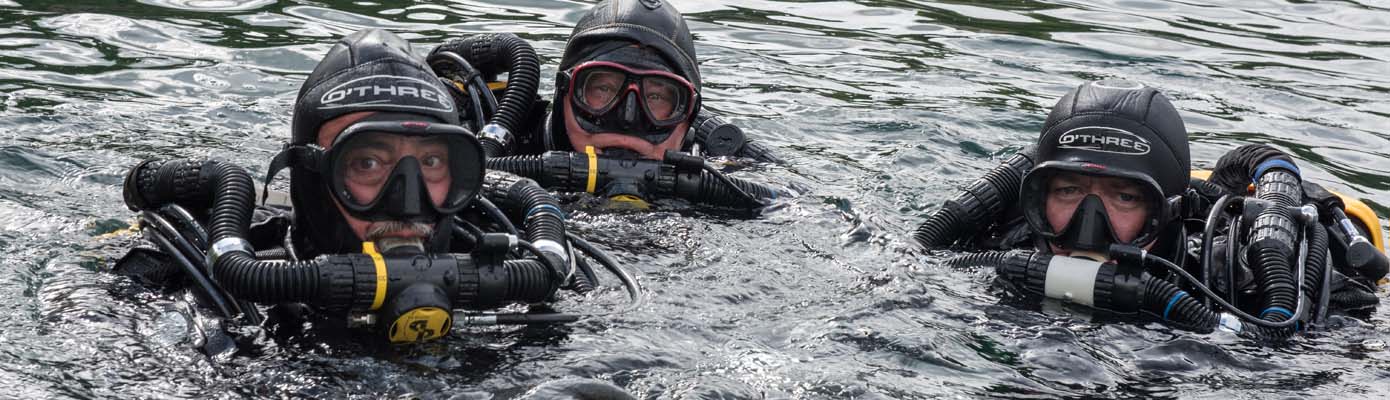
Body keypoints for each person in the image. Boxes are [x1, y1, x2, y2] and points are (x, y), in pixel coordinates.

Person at [112, 28, 635, 356]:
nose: (407, 202)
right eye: (367, 162)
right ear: (312, 176)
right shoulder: (214, 288)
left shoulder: (516, 270)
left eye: (431, 162)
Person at [917, 79, 1385, 340]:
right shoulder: (995, 251)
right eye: (1068, 192)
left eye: (1124, 197)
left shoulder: (1230, 278)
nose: (1088, 223)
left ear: (1167, 212)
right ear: (1037, 199)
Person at [427, 0, 782, 209]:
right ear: (565, 93)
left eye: (657, 97)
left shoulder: (725, 180)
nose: (626, 118)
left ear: (686, 116)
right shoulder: (499, 142)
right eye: (601, 89)